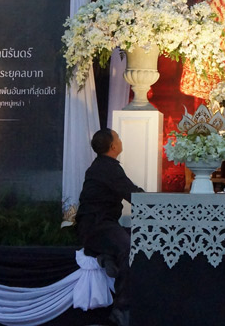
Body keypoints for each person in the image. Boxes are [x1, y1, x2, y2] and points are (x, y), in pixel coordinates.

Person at [75, 129, 142, 326]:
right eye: (118, 137)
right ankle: (122, 309)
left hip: (99, 226)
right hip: (97, 227)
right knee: (129, 248)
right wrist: (159, 204)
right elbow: (132, 194)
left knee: (134, 237)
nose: (120, 140)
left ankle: (104, 256)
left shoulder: (101, 166)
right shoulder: (108, 168)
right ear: (113, 146)